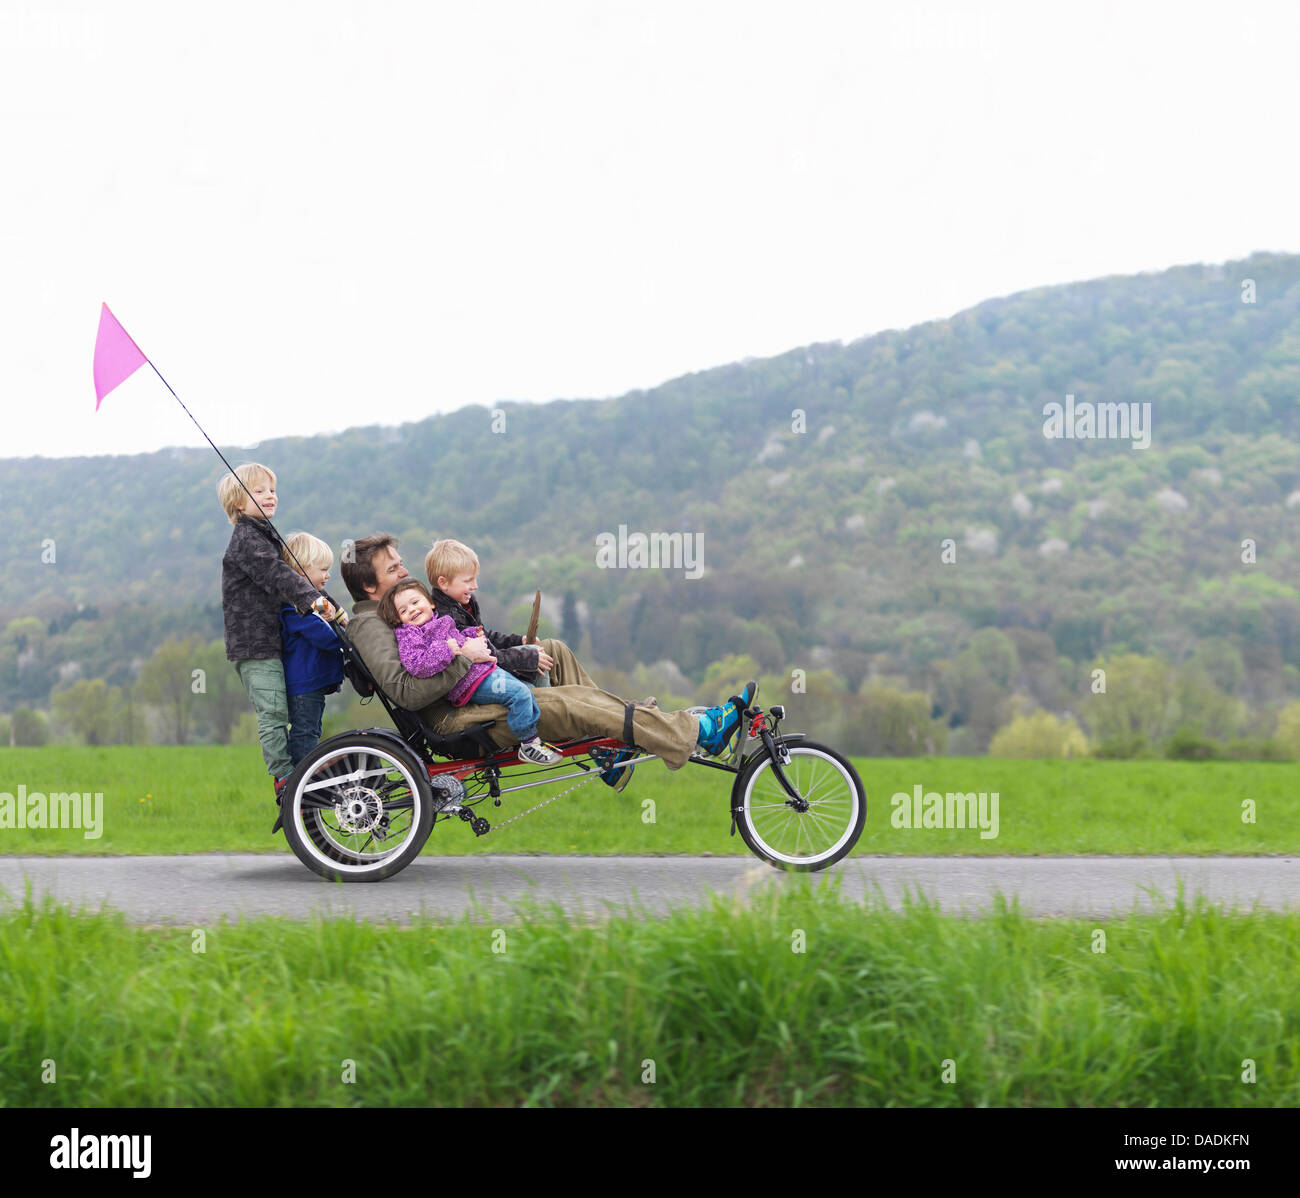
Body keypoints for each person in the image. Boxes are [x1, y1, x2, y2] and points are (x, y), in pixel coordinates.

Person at [339, 533, 751, 778]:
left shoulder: (394, 609)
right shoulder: (372, 625)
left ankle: (610, 742)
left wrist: (514, 648)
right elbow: (408, 692)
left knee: (550, 651)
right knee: (570, 701)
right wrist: (465, 654)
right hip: (458, 719)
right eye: (393, 569)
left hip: (470, 695)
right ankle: (695, 733)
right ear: (371, 587)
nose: (405, 572)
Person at [218, 463, 337, 798]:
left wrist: (333, 610)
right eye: (259, 491)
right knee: (273, 712)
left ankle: (301, 771)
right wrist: (314, 601)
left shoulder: (264, 534)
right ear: (239, 502)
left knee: (291, 713)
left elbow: (296, 574)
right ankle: (285, 779)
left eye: (272, 489)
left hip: (272, 641)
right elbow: (279, 575)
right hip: (254, 646)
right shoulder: (246, 540)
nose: (269, 496)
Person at [379, 577, 562, 765]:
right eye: (403, 610)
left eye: (415, 602)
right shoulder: (409, 635)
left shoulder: (441, 621)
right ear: (398, 619)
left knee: (529, 689)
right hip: (468, 683)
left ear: (431, 603)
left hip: (484, 672)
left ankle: (535, 735)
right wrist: (446, 649)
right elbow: (417, 665)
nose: (412, 610)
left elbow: (458, 638)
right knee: (520, 694)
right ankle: (528, 744)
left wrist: (472, 634)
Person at [425, 538, 549, 686]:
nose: (475, 586)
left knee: (536, 652)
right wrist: (527, 658)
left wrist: (517, 640)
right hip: (475, 679)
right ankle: (546, 703)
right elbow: (487, 653)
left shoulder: (464, 604)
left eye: (475, 579)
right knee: (534, 655)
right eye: (468, 581)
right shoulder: (447, 618)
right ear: (443, 583)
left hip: (489, 667)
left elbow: (485, 637)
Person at [279, 531, 347, 767]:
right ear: (301, 571)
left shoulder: (307, 605)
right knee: (305, 731)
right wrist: (347, 640)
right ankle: (302, 774)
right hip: (304, 685)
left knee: (311, 729)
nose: (328, 575)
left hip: (311, 685)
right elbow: (325, 638)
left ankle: (306, 772)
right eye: (322, 569)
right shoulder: (295, 609)